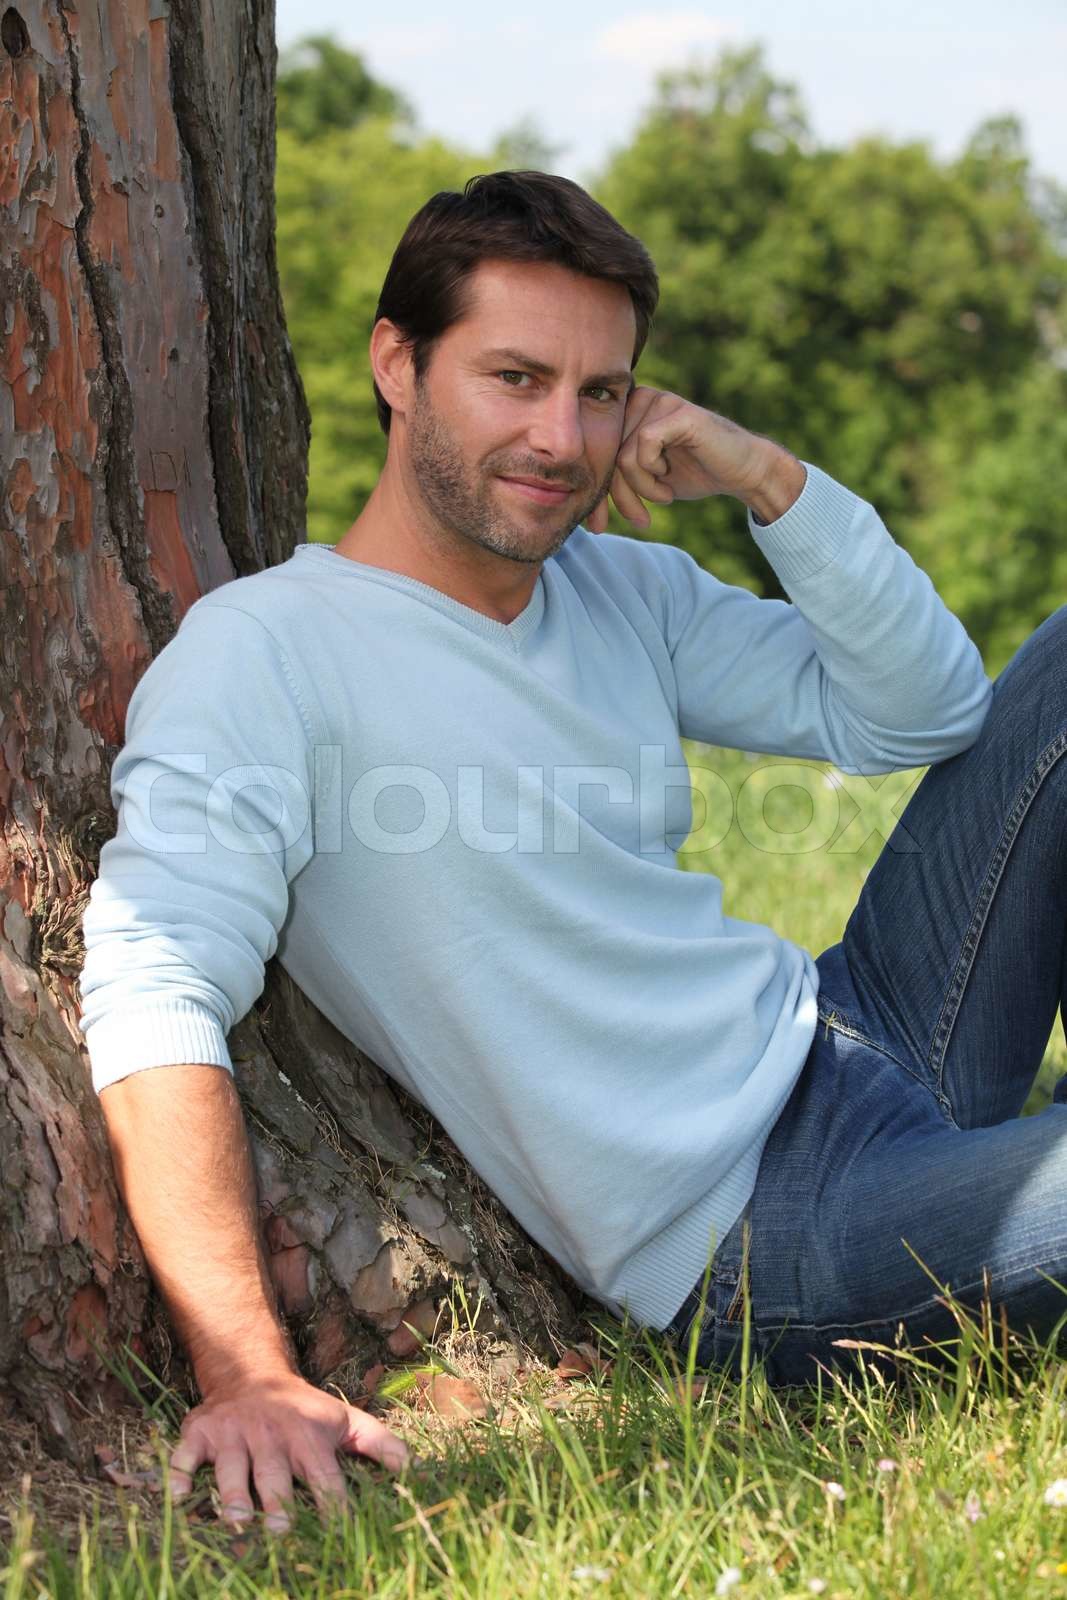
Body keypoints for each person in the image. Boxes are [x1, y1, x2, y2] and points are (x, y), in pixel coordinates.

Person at [77, 170, 1067, 1535]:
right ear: (397, 364)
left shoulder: (619, 585)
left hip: (859, 1032)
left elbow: (929, 710)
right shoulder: (270, 655)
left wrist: (771, 482)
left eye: (600, 392)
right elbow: (152, 985)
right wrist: (245, 1366)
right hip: (764, 1234)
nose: (561, 436)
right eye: (515, 376)